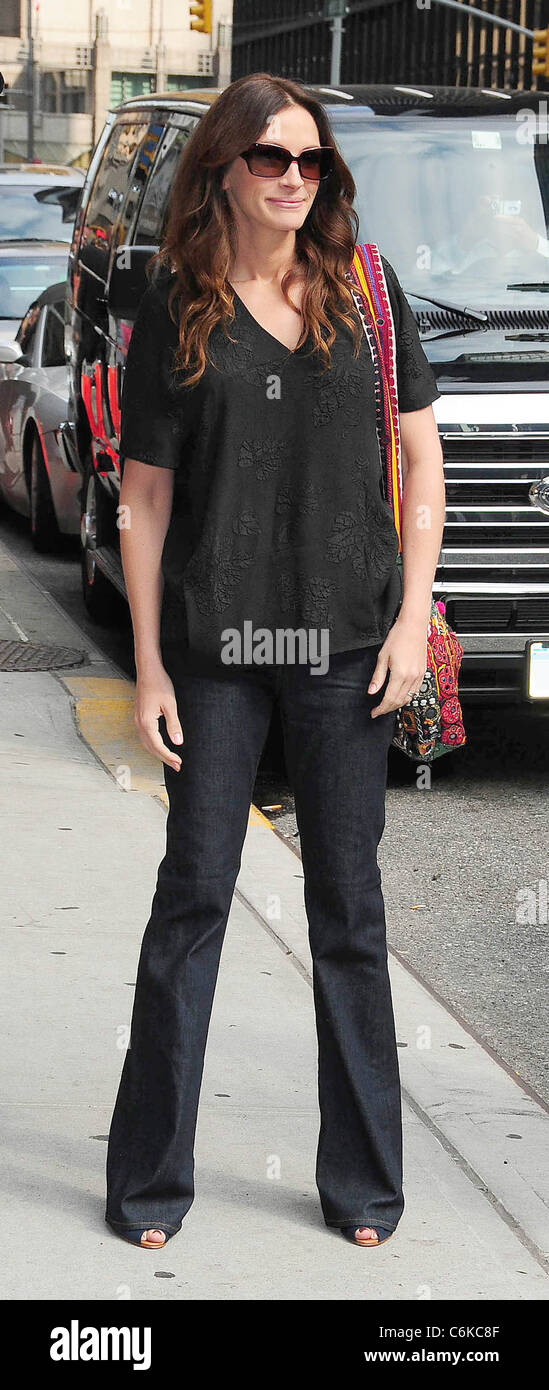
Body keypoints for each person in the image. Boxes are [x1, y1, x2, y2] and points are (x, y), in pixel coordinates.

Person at [104, 72, 445, 1252]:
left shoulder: (370, 290)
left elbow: (421, 460)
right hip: (218, 653)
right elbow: (142, 497)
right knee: (192, 902)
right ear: (225, 172)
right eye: (271, 159)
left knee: (347, 910)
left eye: (311, 161)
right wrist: (146, 665)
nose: (295, 177)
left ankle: (361, 1183)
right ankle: (151, 1181)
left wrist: (411, 623)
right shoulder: (177, 301)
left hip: (348, 649)